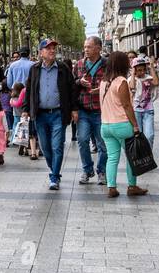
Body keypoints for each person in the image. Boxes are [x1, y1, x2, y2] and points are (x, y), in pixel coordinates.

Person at [24, 38, 78, 191]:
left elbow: (72, 89)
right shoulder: (34, 69)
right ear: (41, 53)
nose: (52, 50)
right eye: (48, 48)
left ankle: (54, 176)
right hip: (40, 115)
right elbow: (29, 90)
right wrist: (26, 109)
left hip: (58, 114)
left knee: (57, 146)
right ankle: (53, 168)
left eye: (54, 48)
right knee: (46, 148)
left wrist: (74, 109)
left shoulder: (63, 68)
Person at [98, 50, 147, 198]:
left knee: (112, 157)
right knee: (131, 157)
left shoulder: (103, 82)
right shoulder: (121, 81)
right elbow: (127, 106)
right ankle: (132, 186)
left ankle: (111, 187)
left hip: (105, 125)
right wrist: (135, 125)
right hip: (121, 124)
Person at [74, 36, 108, 185]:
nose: (86, 50)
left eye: (89, 47)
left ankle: (101, 171)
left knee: (103, 144)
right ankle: (87, 170)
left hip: (102, 110)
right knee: (82, 140)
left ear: (98, 48)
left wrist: (102, 89)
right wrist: (78, 82)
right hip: (83, 110)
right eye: (85, 47)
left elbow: (116, 83)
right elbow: (72, 85)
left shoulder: (107, 64)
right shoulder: (80, 64)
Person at [131, 57, 158, 146]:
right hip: (136, 110)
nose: (142, 72)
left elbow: (156, 82)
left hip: (148, 110)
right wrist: (132, 75)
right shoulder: (131, 79)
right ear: (134, 70)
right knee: (138, 136)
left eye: (143, 70)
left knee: (150, 135)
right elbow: (132, 87)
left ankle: (148, 154)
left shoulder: (148, 78)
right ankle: (142, 156)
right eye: (139, 70)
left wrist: (151, 67)